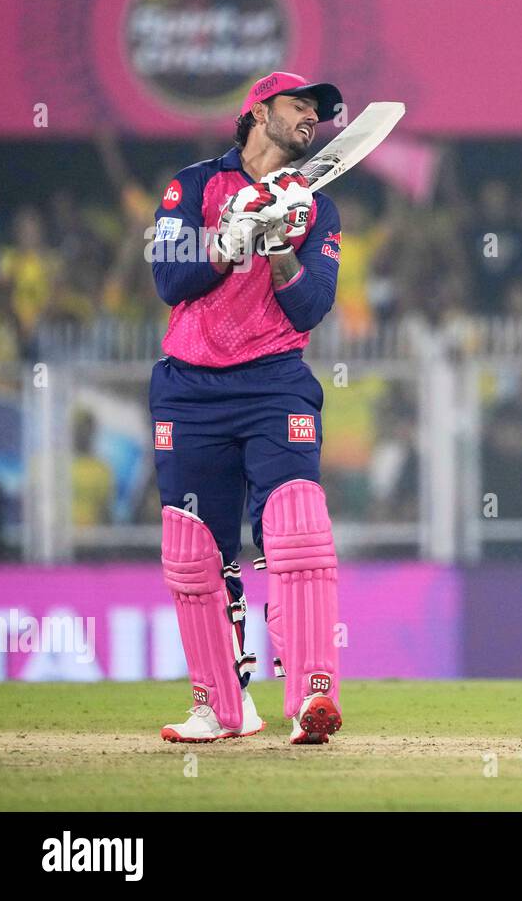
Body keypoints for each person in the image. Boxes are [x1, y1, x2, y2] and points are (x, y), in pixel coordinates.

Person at [149, 71, 346, 744]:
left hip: (274, 383)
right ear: (258, 111)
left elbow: (312, 306)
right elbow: (168, 278)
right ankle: (221, 708)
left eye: (318, 114)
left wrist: (278, 246)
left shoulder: (316, 206)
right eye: (299, 106)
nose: (311, 120)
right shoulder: (195, 185)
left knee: (296, 525)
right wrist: (228, 241)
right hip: (190, 386)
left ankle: (312, 696)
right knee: (191, 551)